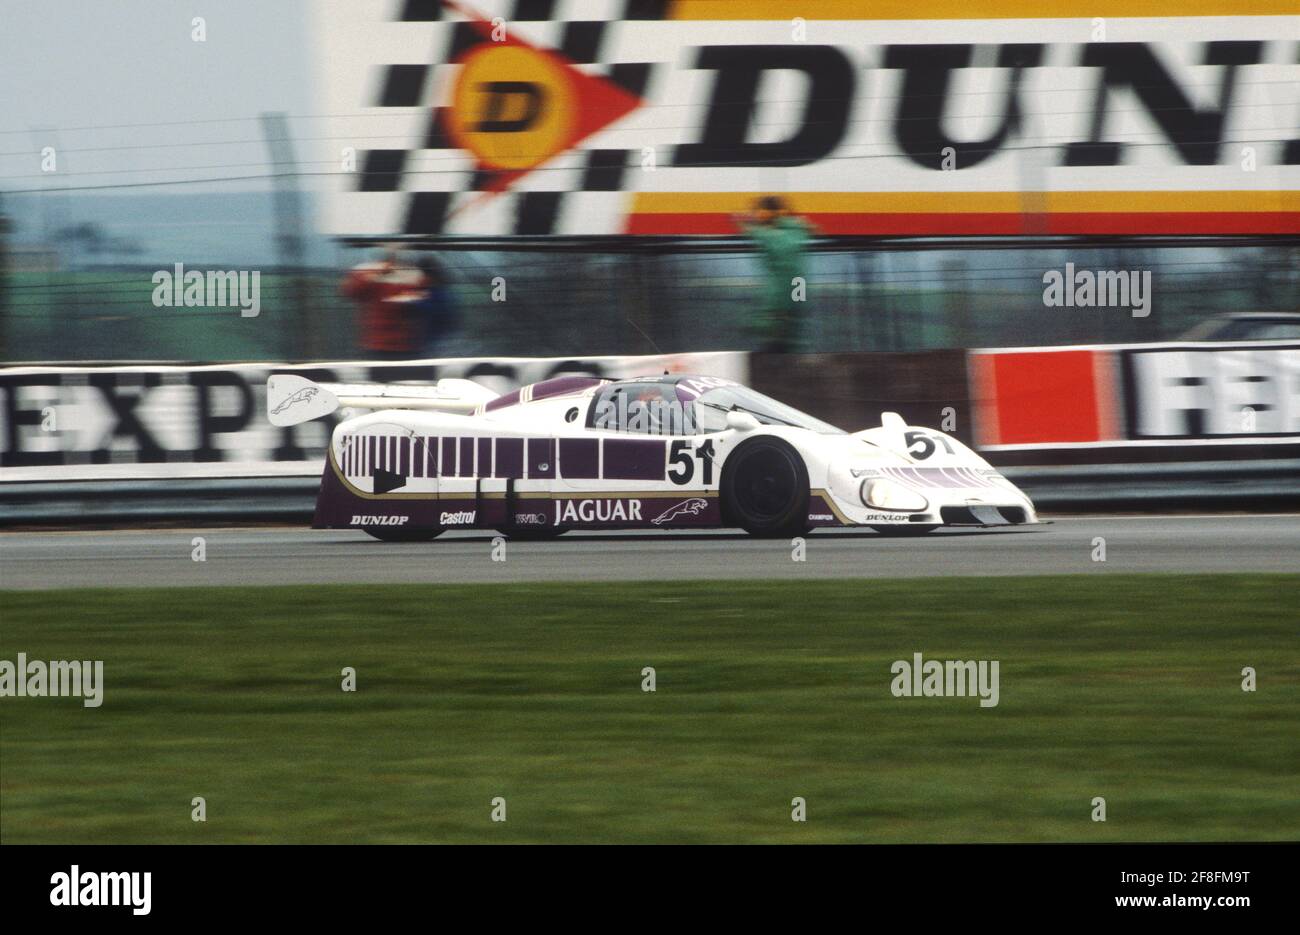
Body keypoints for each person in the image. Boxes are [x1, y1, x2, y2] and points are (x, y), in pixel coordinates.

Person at [734, 196, 815, 353]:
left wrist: (778, 312)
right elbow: (798, 282)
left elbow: (785, 270)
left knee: (783, 347)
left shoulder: (776, 236)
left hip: (783, 306)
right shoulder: (796, 231)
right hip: (794, 299)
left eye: (758, 211)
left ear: (770, 212)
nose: (755, 215)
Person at [340, 248, 427, 359]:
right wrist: (377, 273)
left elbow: (423, 301)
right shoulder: (367, 271)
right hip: (378, 342)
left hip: (404, 343)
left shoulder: (415, 274)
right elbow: (351, 291)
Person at [412, 255, 460, 357]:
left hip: (440, 341)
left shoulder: (439, 291)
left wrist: (417, 302)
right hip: (434, 340)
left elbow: (440, 311)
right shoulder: (434, 289)